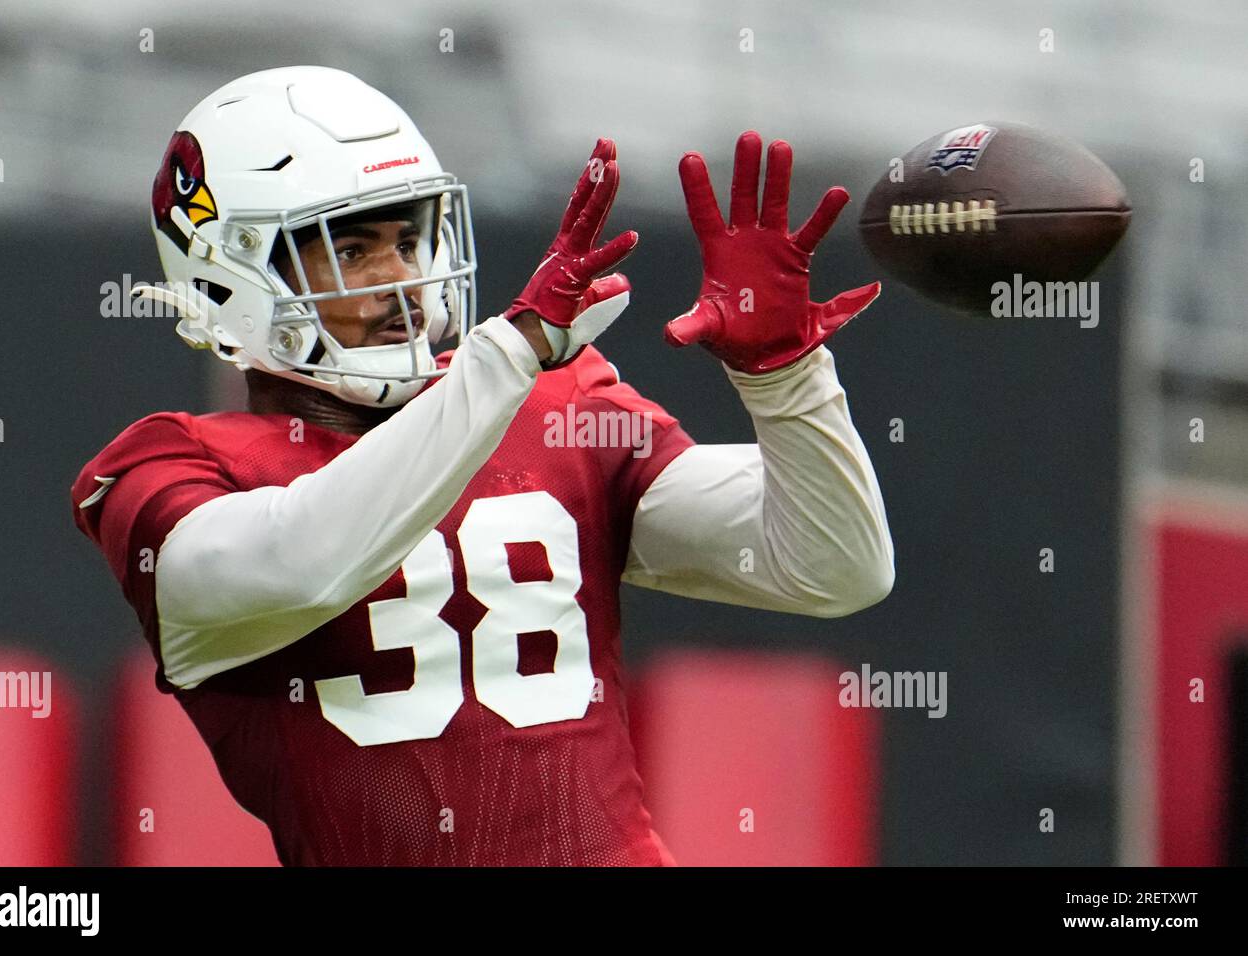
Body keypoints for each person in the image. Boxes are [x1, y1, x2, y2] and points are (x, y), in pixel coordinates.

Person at [72, 66, 893, 866]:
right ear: (231, 276)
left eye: (407, 239)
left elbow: (832, 567)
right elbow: (303, 562)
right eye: (351, 251)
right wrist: (505, 359)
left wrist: (784, 375)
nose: (402, 282)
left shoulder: (550, 404)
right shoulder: (170, 465)